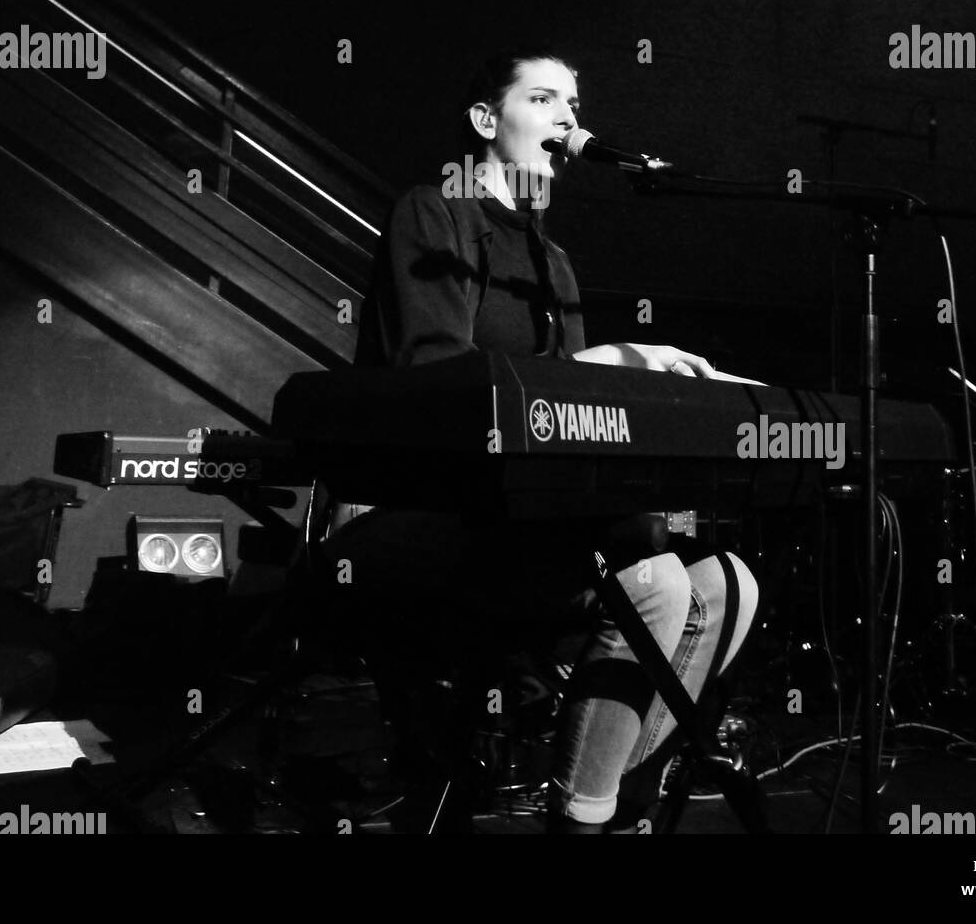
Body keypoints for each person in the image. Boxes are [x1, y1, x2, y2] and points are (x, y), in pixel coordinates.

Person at [322, 47, 758, 833]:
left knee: (730, 586)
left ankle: (611, 800)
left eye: (574, 104)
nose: (568, 118)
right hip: (421, 515)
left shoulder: (552, 262)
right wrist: (608, 361)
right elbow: (438, 382)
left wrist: (657, 393)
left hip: (522, 522)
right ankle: (585, 817)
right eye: (544, 98)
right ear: (485, 120)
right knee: (657, 585)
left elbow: (571, 417)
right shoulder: (434, 212)